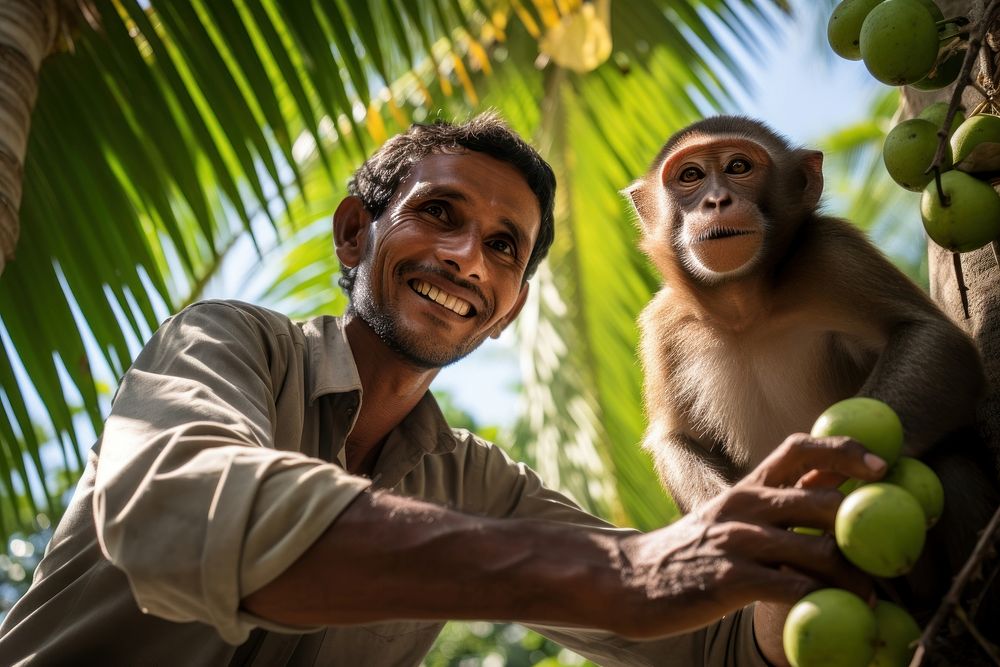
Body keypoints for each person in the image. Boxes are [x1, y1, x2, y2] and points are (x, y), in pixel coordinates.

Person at [0, 113, 884, 666]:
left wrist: (805, 565)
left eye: (505, 246)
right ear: (354, 233)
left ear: (508, 311)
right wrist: (625, 567)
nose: (468, 257)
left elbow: (705, 643)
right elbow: (178, 509)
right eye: (439, 214)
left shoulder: (478, 486)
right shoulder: (228, 342)